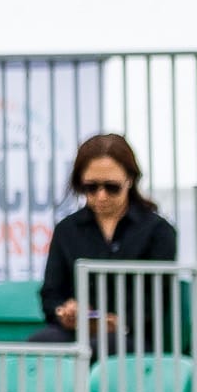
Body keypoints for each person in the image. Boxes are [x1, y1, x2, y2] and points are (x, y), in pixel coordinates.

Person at [30, 134, 178, 346]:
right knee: (38, 345)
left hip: (134, 337)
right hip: (77, 332)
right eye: (91, 187)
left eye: (112, 187)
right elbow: (51, 294)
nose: (101, 196)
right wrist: (65, 311)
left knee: (97, 345)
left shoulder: (158, 231)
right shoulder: (66, 230)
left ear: (130, 180)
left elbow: (157, 298)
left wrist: (120, 322)